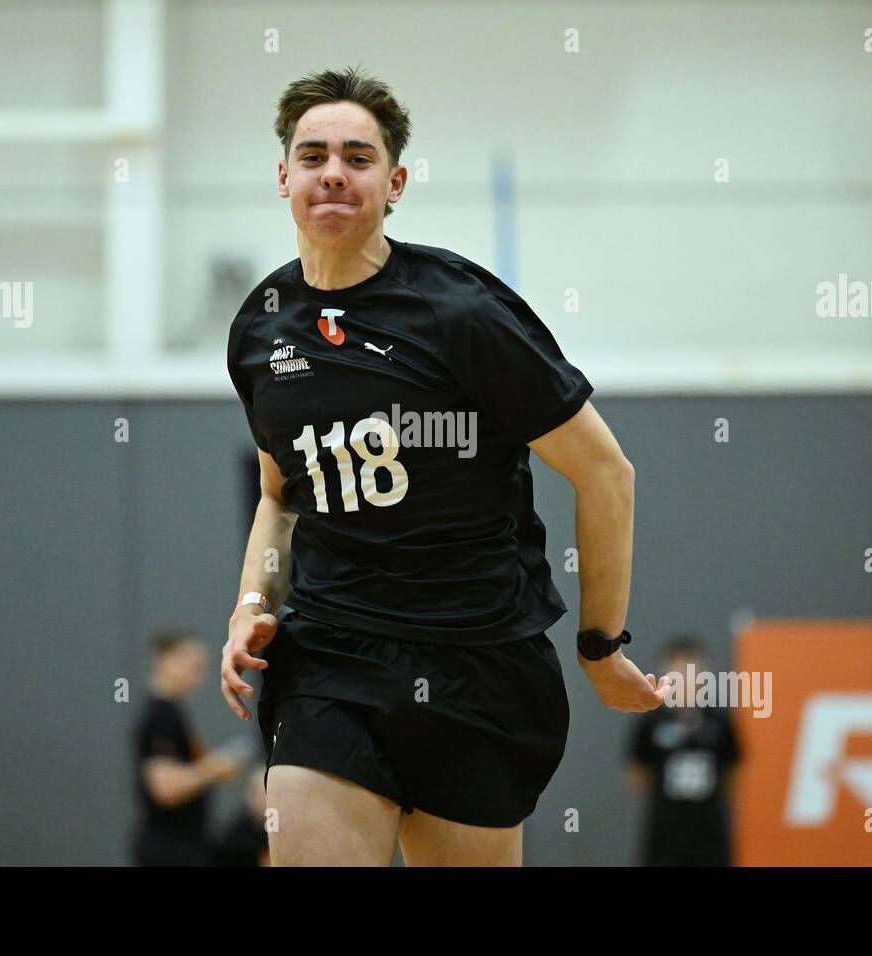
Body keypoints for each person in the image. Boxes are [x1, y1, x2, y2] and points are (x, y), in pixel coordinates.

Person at [222, 66, 672, 867]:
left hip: (478, 665)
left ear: (394, 183)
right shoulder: (261, 329)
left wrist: (601, 648)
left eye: (358, 158)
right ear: (282, 176)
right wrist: (251, 602)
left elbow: (607, 473)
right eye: (313, 154)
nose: (333, 172)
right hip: (332, 656)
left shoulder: (462, 315)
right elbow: (278, 496)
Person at [625, 634, 740, 866]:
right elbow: (636, 775)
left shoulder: (719, 721)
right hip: (664, 834)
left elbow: (733, 773)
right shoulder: (651, 722)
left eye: (690, 667)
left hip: (710, 833)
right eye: (676, 668)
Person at [132, 627, 243, 867]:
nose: (199, 676)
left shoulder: (174, 711)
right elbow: (165, 787)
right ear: (163, 660)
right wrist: (215, 768)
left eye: (201, 668)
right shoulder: (160, 716)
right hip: (170, 848)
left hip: (187, 842)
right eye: (192, 667)